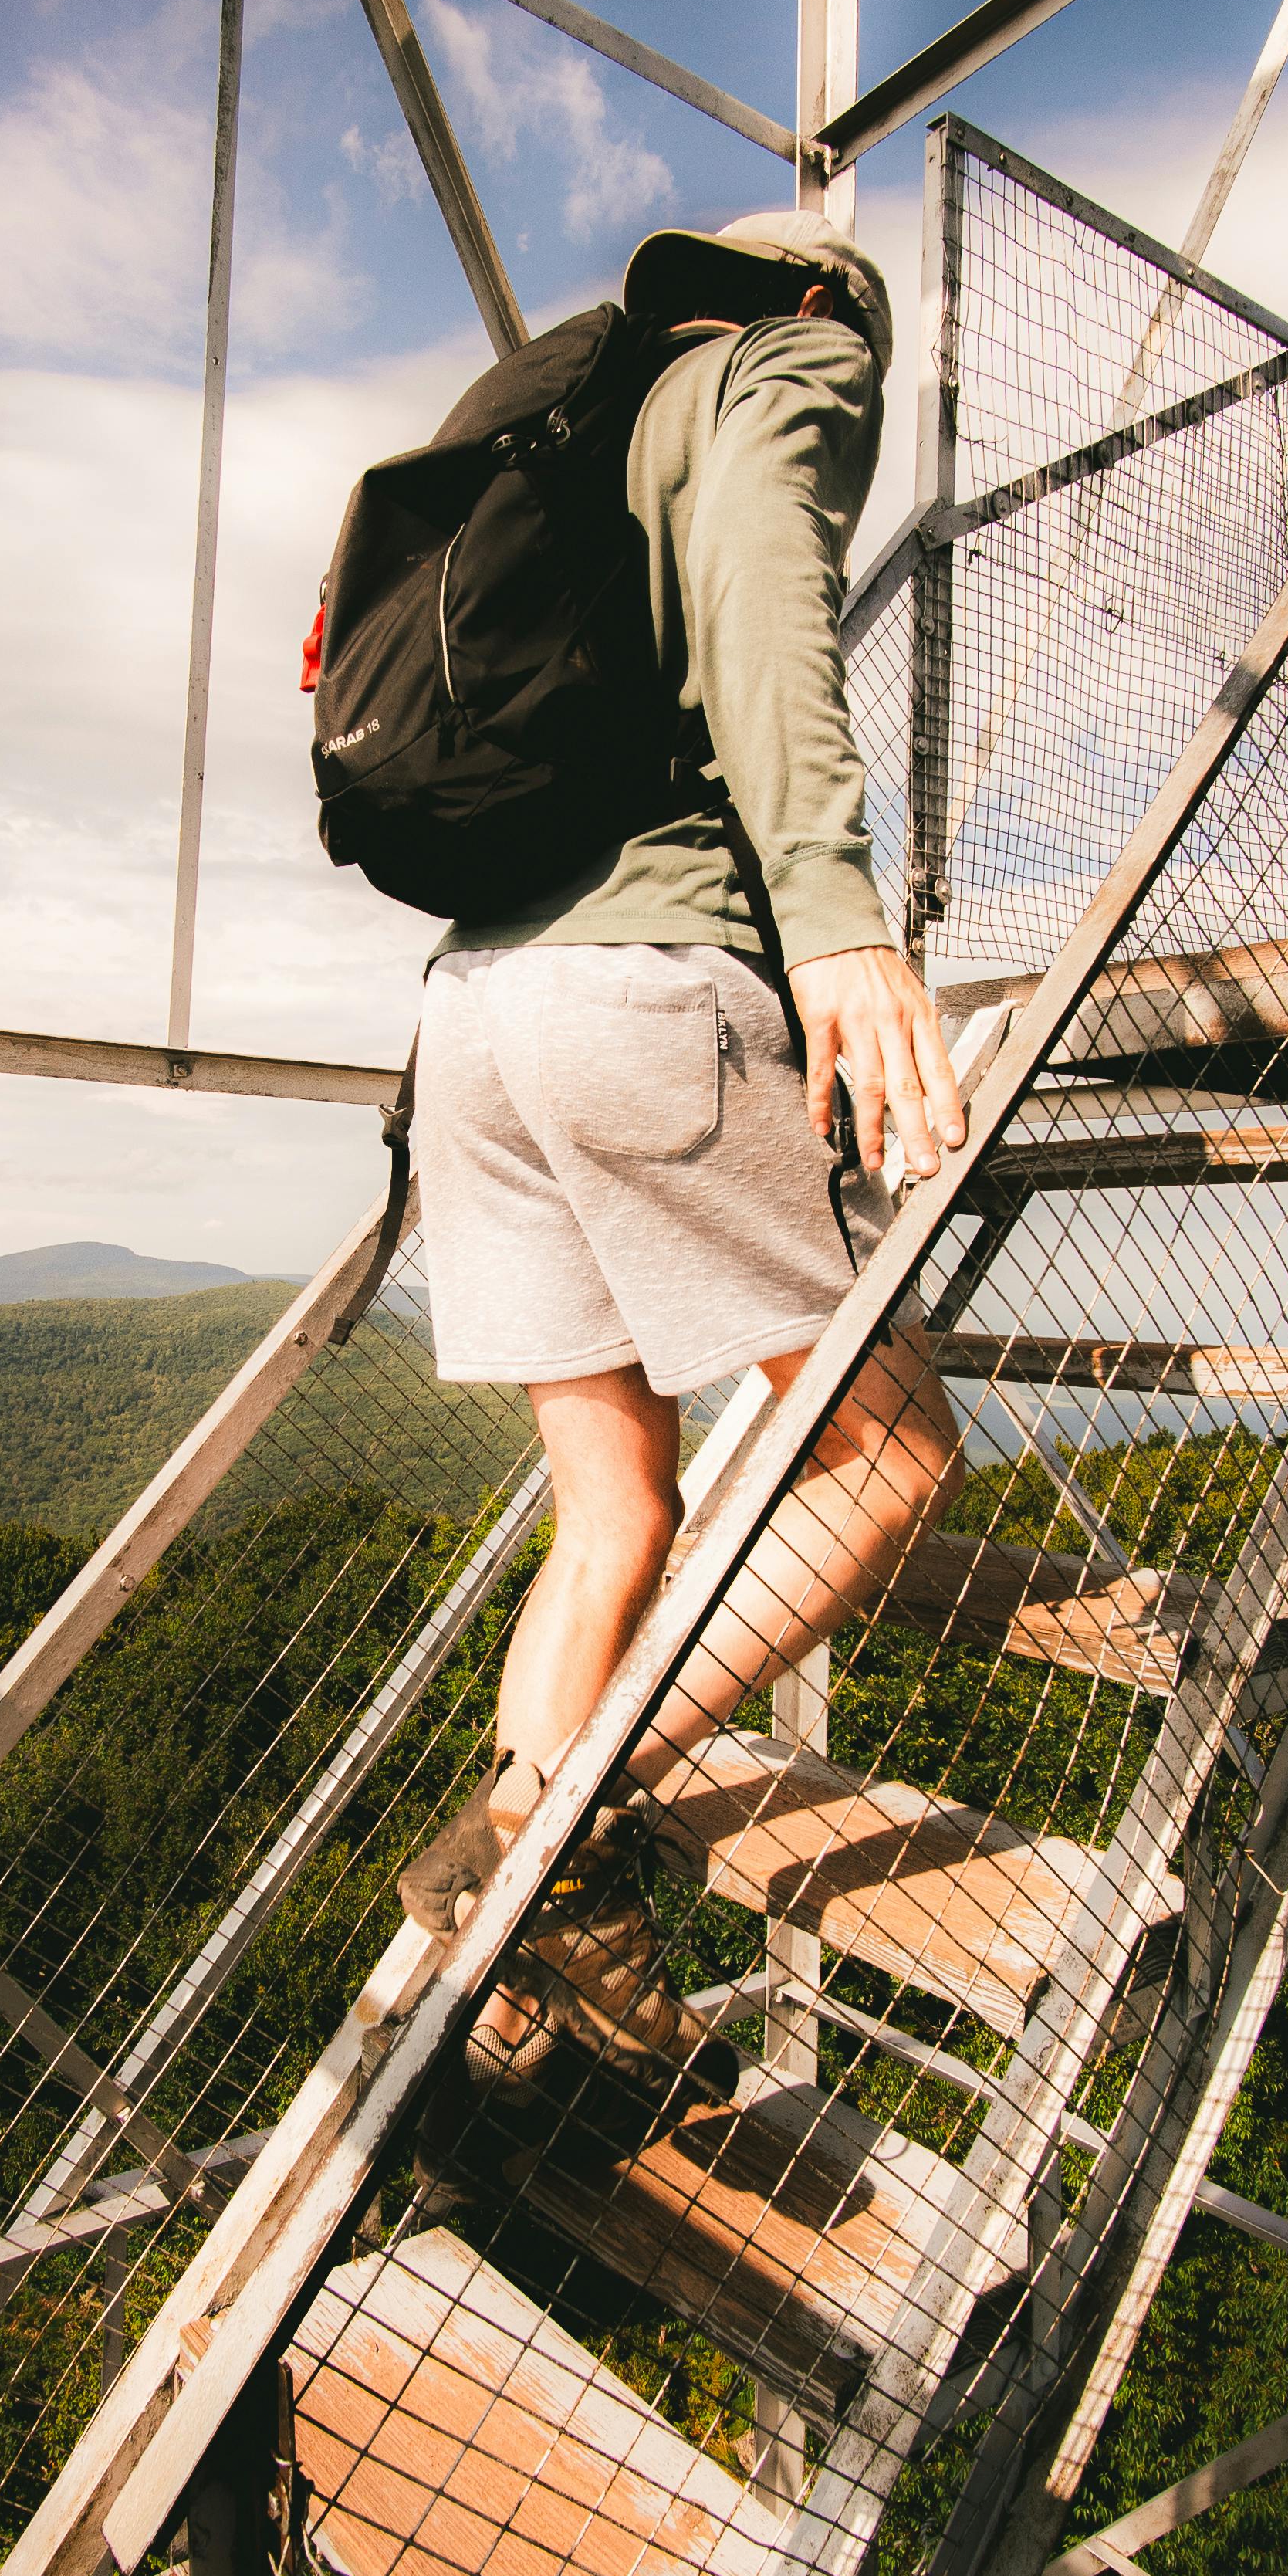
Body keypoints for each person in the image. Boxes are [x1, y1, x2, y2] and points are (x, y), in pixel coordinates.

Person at [397, 210, 968, 2103]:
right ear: (819, 306)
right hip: (645, 994)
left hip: (471, 1024)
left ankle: (497, 2011)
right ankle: (548, 1832)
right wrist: (836, 917)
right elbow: (764, 601)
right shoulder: (790, 358)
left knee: (614, 1511)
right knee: (889, 1452)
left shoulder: (569, 431)